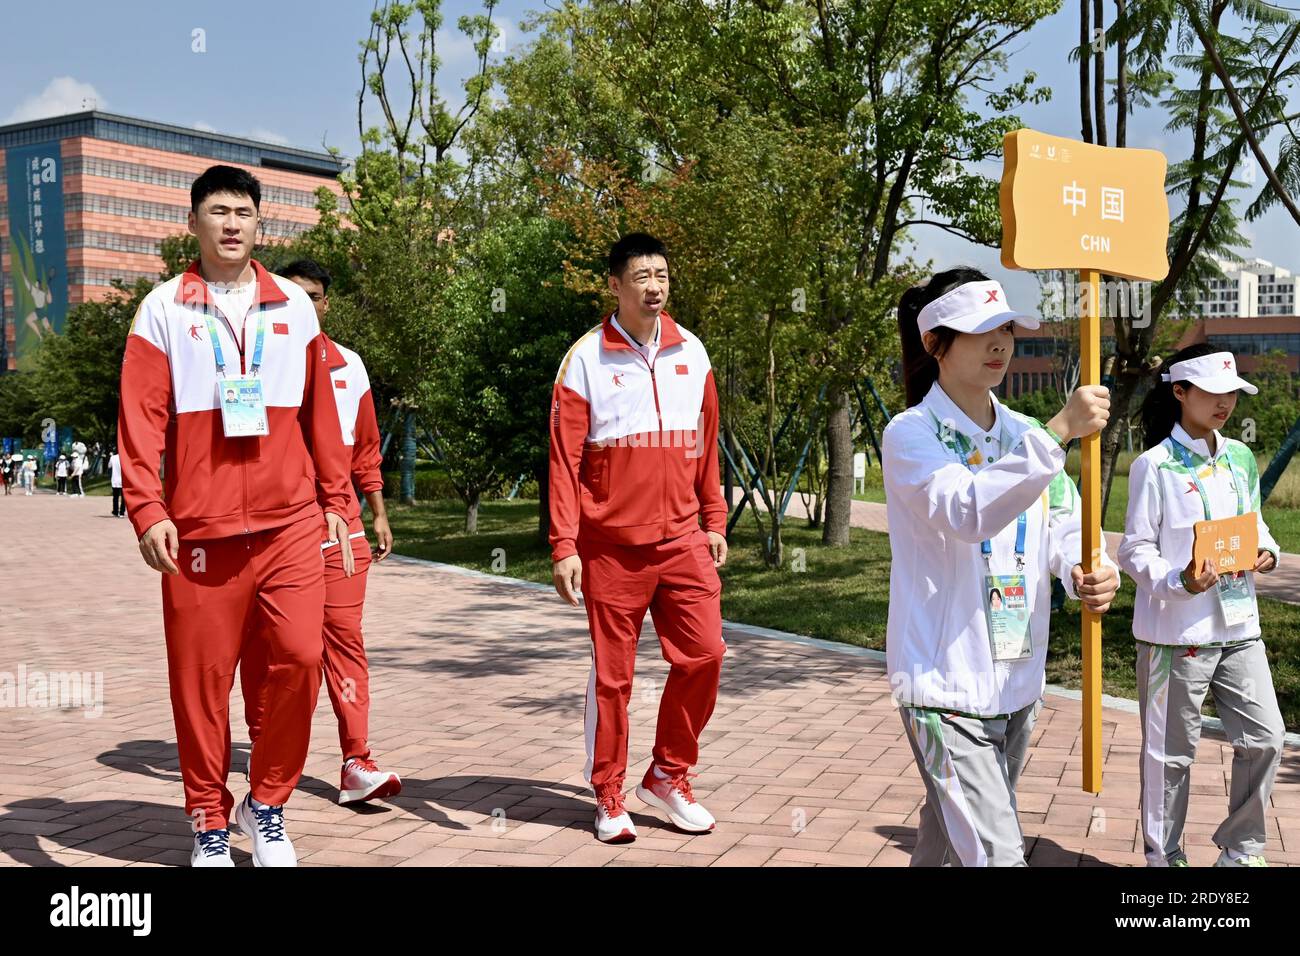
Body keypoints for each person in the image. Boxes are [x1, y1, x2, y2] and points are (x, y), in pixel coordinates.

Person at [118, 164, 352, 867]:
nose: (230, 224)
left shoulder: (295, 308)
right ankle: (209, 820)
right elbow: (141, 418)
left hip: (289, 525)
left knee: (302, 660)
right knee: (202, 685)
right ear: (193, 223)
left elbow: (322, 413)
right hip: (199, 535)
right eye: (217, 211)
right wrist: (146, 506)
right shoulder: (162, 309)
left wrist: (337, 498)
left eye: (243, 213)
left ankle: (268, 804)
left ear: (259, 224)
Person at [882, 267, 1120, 867]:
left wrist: (1087, 568)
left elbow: (1064, 519)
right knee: (998, 854)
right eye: (981, 330)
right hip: (945, 686)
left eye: (1007, 329)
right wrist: (1061, 429)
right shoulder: (911, 435)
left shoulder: (1019, 431)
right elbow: (967, 510)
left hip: (1015, 679)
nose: (1000, 344)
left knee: (947, 843)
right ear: (936, 343)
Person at [549, 232, 728, 844]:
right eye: (643, 276)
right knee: (613, 678)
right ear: (616, 285)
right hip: (610, 547)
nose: (655, 286)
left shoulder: (693, 353)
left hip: (683, 540)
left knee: (706, 654)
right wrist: (564, 545)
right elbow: (564, 461)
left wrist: (715, 519)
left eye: (663, 275)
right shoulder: (585, 360)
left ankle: (669, 774)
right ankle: (608, 791)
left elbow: (707, 445)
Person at [240, 257, 401, 806]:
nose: (306, 303)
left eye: (316, 295)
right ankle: (265, 754)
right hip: (275, 525)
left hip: (340, 524)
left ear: (326, 304)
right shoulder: (254, 360)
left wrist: (376, 510)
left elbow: (366, 447)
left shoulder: (350, 365)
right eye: (296, 294)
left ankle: (357, 759)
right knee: (271, 646)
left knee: (344, 637)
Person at [1118, 345, 1285, 868]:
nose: (1225, 403)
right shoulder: (1155, 466)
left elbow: (1253, 524)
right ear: (1180, 392)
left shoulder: (1239, 457)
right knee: (1169, 757)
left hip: (1239, 627)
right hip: (1176, 634)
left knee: (1266, 738)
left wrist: (1268, 550)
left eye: (1232, 392)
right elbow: (1134, 549)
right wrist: (1180, 580)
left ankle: (1241, 850)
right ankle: (1163, 857)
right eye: (1212, 392)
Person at [109, 449, 124, 517]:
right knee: (123, 497)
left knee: (115, 497)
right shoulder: (125, 457)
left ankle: (115, 511)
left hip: (115, 480)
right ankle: (122, 512)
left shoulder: (112, 458)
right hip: (123, 480)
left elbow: (109, 466)